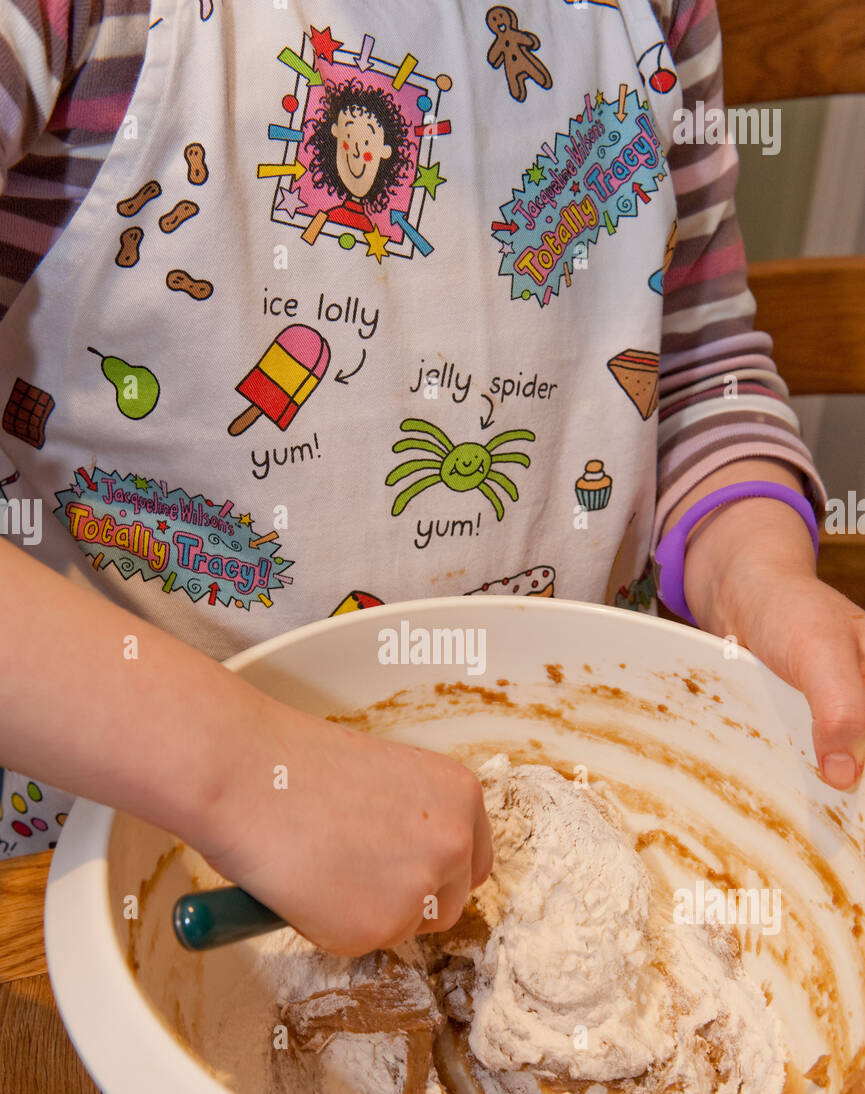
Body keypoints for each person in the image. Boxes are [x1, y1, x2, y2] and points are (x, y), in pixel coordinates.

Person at [0, 0, 862, 957]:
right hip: (136, 860)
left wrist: (757, 573)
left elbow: (698, 368)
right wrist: (243, 773)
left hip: (567, 810)